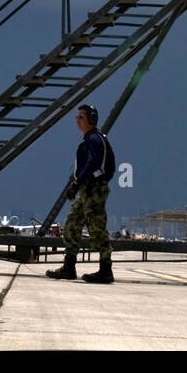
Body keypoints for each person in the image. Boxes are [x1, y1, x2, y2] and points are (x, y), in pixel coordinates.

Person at [45, 104, 116, 283]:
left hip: (93, 190)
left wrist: (77, 183)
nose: (77, 120)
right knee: (72, 226)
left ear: (91, 120)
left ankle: (106, 270)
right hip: (87, 190)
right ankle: (69, 267)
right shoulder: (90, 139)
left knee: (97, 228)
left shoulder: (94, 139)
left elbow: (93, 163)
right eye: (77, 117)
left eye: (81, 117)